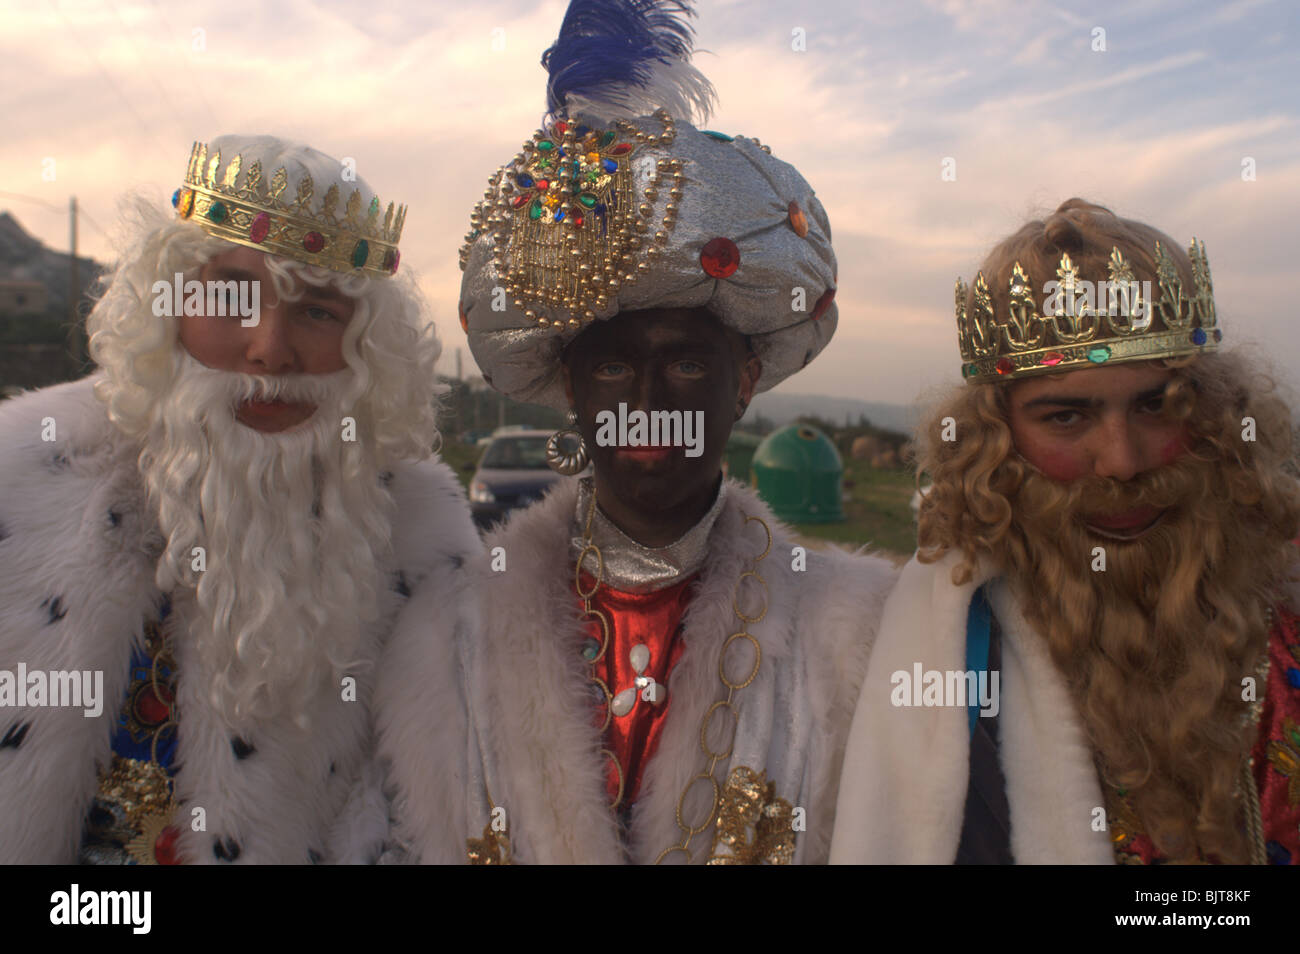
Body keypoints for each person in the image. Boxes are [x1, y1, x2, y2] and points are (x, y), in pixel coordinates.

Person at [377, 0, 897, 864]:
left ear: (748, 382)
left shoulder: (854, 631)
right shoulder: (449, 636)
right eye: (615, 367)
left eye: (689, 364)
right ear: (571, 387)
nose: (649, 396)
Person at [0, 134, 480, 864]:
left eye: (318, 312)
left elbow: (443, 810)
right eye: (230, 297)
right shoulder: (24, 473)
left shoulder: (418, 532)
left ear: (365, 341)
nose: (269, 350)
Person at [830, 198, 1300, 865]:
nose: (1122, 460)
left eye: (1156, 406)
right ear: (997, 440)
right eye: (1066, 418)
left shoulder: (1286, 595)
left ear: (1218, 415)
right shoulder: (951, 645)